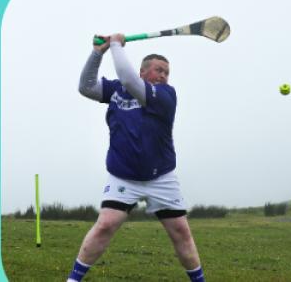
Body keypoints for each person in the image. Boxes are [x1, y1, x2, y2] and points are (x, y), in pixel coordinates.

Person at [66, 34, 205, 282]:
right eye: (158, 70)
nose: (163, 76)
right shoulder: (117, 89)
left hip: (160, 175)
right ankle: (73, 279)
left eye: (166, 72)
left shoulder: (165, 95)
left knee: (181, 232)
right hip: (123, 174)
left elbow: (129, 80)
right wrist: (98, 53)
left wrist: (116, 45)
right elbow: (86, 86)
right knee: (105, 225)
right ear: (143, 71)